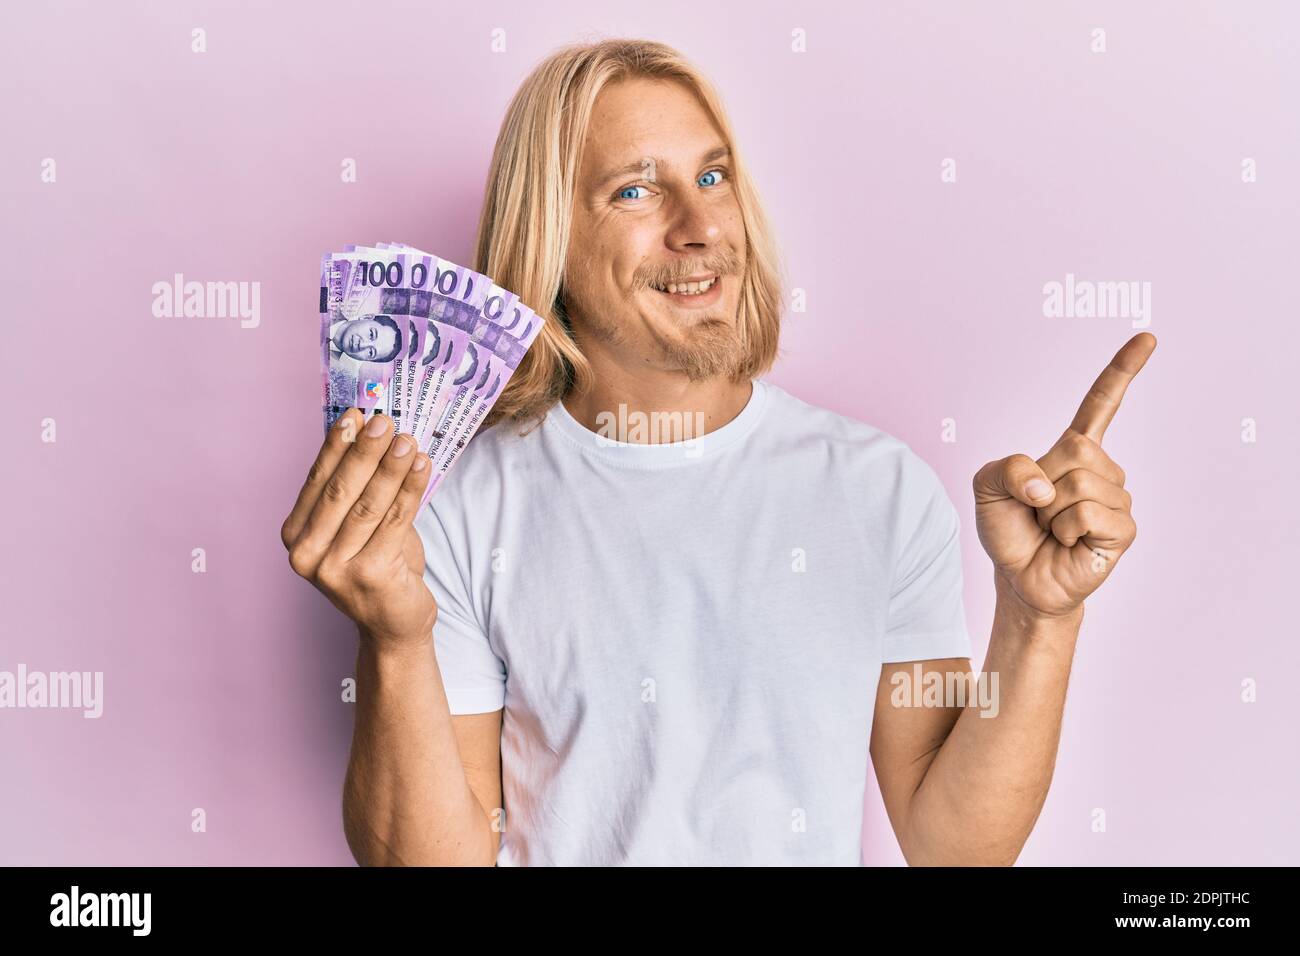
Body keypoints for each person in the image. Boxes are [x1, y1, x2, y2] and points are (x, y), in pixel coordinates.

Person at [281, 39, 1154, 866]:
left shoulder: (879, 490)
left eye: (712, 176)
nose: (701, 225)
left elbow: (955, 847)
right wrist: (393, 641)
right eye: (635, 191)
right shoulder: (464, 506)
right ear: (549, 243)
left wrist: (1039, 618)